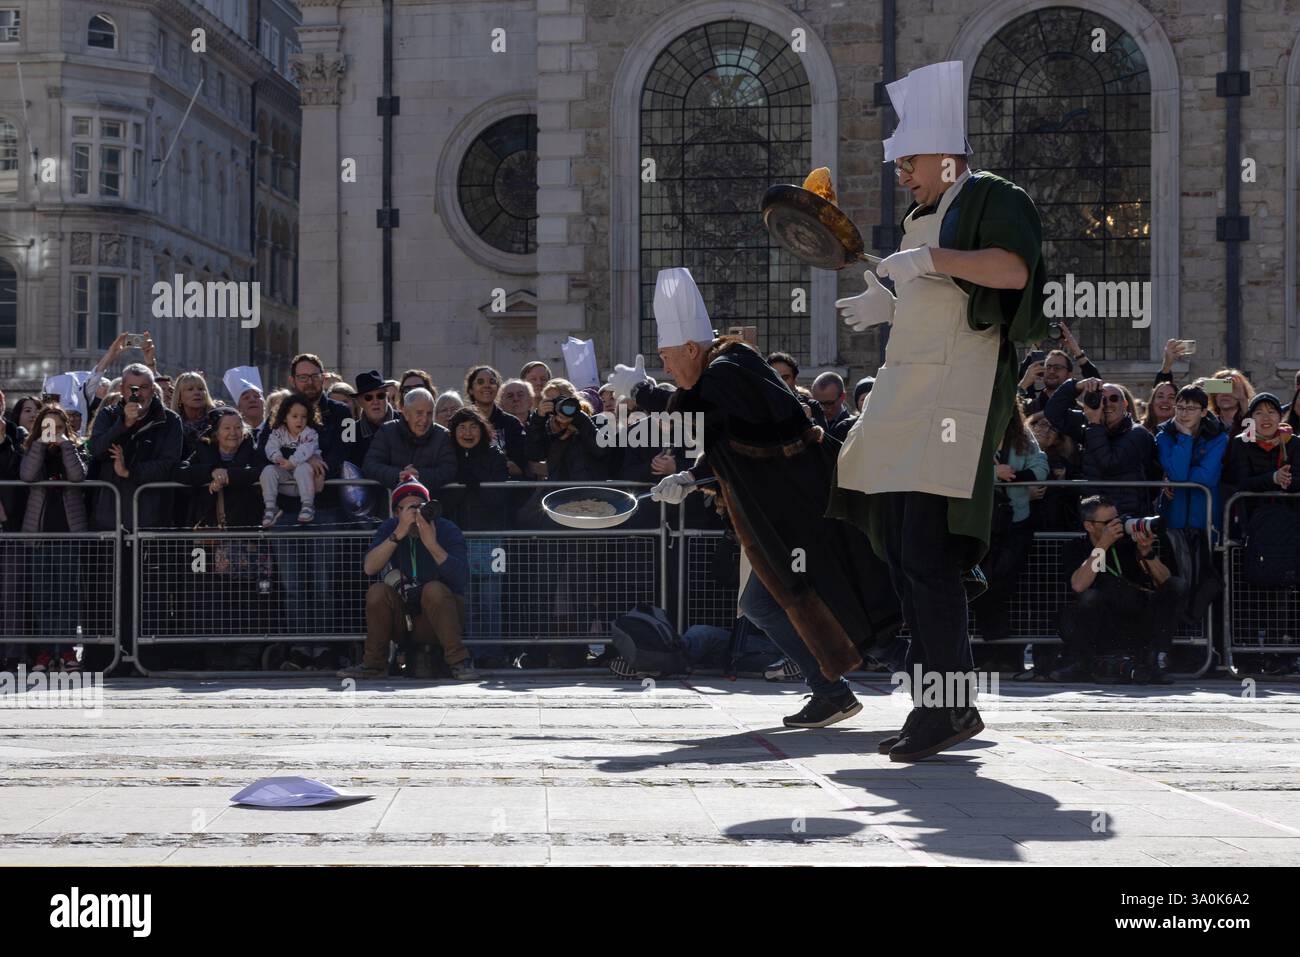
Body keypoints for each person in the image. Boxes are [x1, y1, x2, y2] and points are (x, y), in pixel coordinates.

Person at [828, 61, 1047, 760]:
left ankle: (948, 707)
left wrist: (930, 262)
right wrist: (891, 304)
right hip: (907, 394)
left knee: (926, 554)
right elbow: (942, 292)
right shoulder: (927, 218)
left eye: (909, 163)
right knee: (902, 551)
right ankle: (933, 702)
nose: (902, 176)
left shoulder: (991, 196)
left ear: (947, 155)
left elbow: (1011, 271)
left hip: (952, 400)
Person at [610, 268, 902, 729]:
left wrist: (648, 394)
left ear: (691, 350)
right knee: (772, 605)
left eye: (668, 357)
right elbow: (738, 445)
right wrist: (690, 477)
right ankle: (833, 692)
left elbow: (707, 409)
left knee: (857, 609)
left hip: (810, 517)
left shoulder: (730, 369)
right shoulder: (726, 374)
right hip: (789, 519)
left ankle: (941, 697)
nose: (667, 368)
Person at [339, 480, 476, 680]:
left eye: (421, 507)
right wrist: (398, 533)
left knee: (434, 589)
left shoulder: (446, 529)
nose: (416, 514)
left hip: (440, 618)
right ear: (397, 512)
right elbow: (370, 567)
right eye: (410, 509)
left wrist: (431, 543)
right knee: (377, 591)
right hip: (404, 621)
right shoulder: (390, 528)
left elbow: (461, 577)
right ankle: (374, 664)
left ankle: (459, 662)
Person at [1057, 495, 1184, 683]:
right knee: (1089, 596)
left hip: (1136, 616)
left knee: (1177, 585)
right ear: (1089, 526)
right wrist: (1102, 545)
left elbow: (1167, 584)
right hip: (1101, 621)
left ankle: (1153, 660)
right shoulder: (1076, 547)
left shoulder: (1128, 543)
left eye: (1117, 520)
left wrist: (1146, 552)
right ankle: (1082, 663)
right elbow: (1078, 585)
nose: (1115, 526)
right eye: (1108, 522)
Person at [970, 400, 1047, 666]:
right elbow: (963, 470)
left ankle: (1004, 653)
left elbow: (1041, 465)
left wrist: (1014, 475)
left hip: (1015, 520)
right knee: (981, 585)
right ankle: (984, 651)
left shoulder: (1023, 436)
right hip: (981, 522)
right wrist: (994, 473)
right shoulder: (973, 433)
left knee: (1004, 584)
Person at [20, 404, 90, 672]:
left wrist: (65, 446)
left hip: (69, 533)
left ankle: (68, 650)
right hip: (40, 534)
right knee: (42, 596)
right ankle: (45, 651)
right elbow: (26, 475)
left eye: (59, 427)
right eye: (49, 427)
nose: (54, 432)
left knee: (68, 595)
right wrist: (39, 444)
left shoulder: (74, 448)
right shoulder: (32, 448)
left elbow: (78, 476)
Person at [440, 407, 511, 667]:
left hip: (491, 536)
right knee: (465, 598)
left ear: (482, 429)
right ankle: (466, 652)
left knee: (491, 598)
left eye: (473, 426)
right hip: (458, 538)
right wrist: (463, 484)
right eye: (461, 427)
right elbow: (444, 498)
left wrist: (476, 480)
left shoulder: (494, 455)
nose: (467, 433)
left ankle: (491, 653)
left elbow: (499, 497)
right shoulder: (448, 457)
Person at [88, 363, 184, 531]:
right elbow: (96, 450)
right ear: (122, 389)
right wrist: (123, 425)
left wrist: (129, 472)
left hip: (153, 517)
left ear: (153, 390)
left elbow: (169, 464)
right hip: (111, 515)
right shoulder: (108, 415)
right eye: (132, 388)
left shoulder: (170, 420)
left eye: (144, 387)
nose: (137, 394)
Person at [1046, 377, 1156, 517]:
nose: (1107, 404)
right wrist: (1076, 386)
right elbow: (1052, 412)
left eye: (1114, 398)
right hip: (1093, 515)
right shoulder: (1090, 423)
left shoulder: (1137, 433)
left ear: (1125, 404)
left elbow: (1109, 463)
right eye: (1102, 399)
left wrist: (1094, 425)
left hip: (1125, 515)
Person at [175, 407, 264, 529]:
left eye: (238, 427)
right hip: (208, 526)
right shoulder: (204, 450)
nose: (233, 433)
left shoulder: (252, 450)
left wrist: (228, 475)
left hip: (245, 524)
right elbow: (181, 471)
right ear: (216, 433)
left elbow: (261, 470)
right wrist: (211, 471)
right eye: (227, 428)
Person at [363, 387, 457, 492]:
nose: (425, 419)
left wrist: (419, 475)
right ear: (406, 414)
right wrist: (398, 475)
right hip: (392, 505)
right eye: (419, 413)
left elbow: (449, 470)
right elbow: (370, 465)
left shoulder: (442, 436)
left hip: (431, 504)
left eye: (429, 413)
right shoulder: (387, 431)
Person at [259, 392, 323, 525]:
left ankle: (307, 506)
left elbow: (305, 450)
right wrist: (277, 458)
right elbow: (270, 447)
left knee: (303, 467)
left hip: (307, 482)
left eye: (304, 417)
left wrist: (292, 462)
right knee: (268, 470)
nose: (299, 420)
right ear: (284, 417)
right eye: (294, 416)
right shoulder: (278, 432)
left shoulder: (310, 433)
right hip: (287, 482)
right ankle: (270, 507)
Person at [464, 365, 528, 478]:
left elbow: (519, 467)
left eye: (492, 381)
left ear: (498, 389)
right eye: (480, 382)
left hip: (506, 490)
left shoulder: (512, 423)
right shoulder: (461, 421)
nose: (487, 385)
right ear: (470, 390)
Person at [171, 371, 218, 460]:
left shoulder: (217, 419)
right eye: (190, 389)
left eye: (201, 389)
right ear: (179, 396)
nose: (197, 393)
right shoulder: (172, 424)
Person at [223, 366, 265, 430]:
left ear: (264, 403)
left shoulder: (279, 432)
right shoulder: (234, 435)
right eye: (246, 398)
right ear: (238, 408)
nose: (252, 400)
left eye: (256, 396)